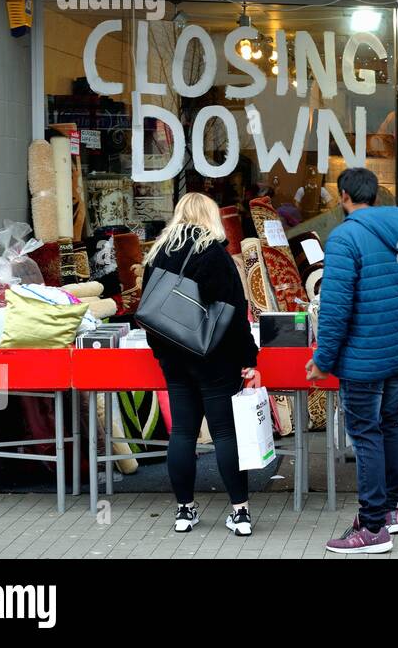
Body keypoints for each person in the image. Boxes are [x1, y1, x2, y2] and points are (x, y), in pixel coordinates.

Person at [306, 167, 398, 554]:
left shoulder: (344, 238)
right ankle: (391, 510)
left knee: (365, 432)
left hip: (362, 357)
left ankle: (373, 528)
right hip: (396, 351)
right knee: (388, 423)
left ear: (343, 197)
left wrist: (323, 360)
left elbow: (335, 308)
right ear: (376, 193)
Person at [141, 192, 260, 538]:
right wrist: (248, 359)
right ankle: (239, 513)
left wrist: (160, 352)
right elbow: (235, 313)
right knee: (225, 433)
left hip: (174, 358)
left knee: (182, 433)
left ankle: (184, 511)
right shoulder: (215, 255)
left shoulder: (157, 254)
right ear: (210, 217)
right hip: (215, 358)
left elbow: (147, 311)